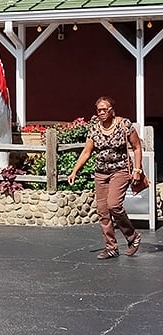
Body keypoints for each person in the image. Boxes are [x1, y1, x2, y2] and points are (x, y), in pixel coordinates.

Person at [68, 96, 143, 260]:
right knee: (103, 211)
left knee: (114, 205)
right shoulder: (94, 129)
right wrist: (74, 171)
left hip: (120, 170)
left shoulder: (124, 125)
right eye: (98, 110)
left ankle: (132, 236)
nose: (101, 112)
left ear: (111, 110)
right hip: (101, 173)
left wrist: (137, 169)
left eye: (104, 109)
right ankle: (111, 247)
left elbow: (137, 147)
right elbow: (86, 152)